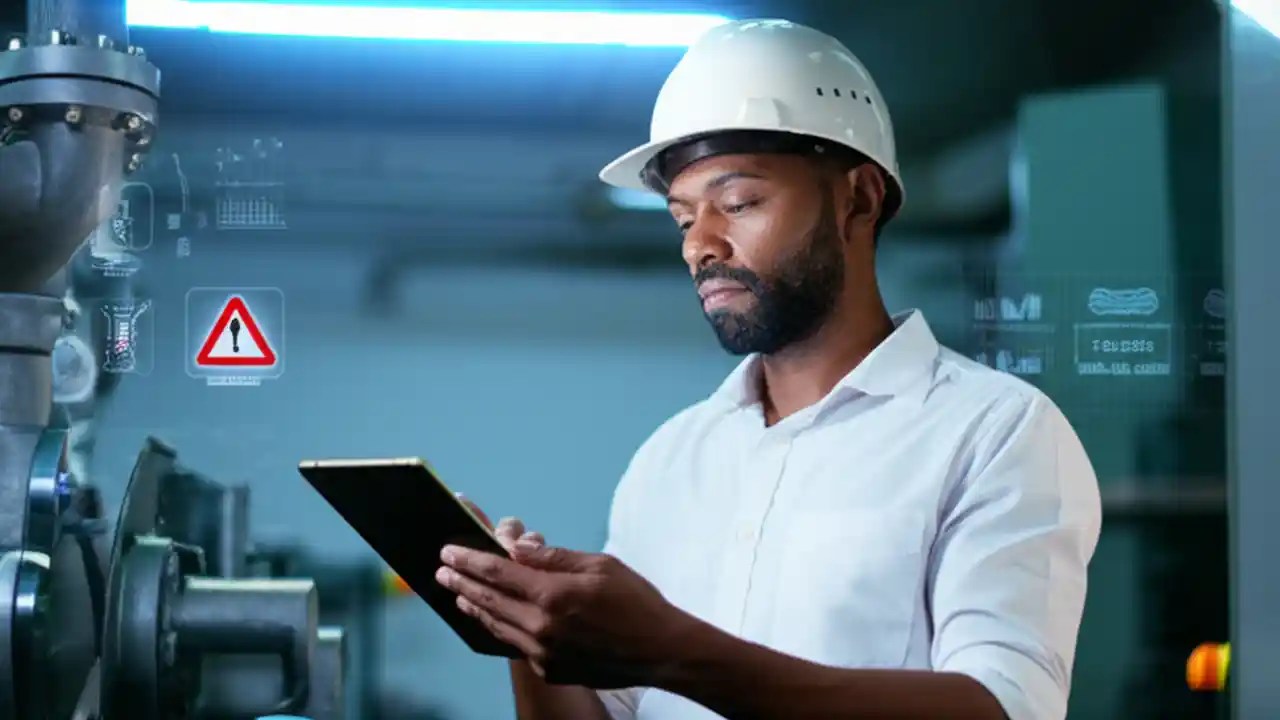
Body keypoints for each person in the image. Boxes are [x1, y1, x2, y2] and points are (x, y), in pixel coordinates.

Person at [435, 18, 1102, 720]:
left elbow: (1002, 708)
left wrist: (672, 650)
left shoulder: (995, 432)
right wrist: (515, 626)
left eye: (739, 203)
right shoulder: (671, 458)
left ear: (859, 199)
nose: (701, 246)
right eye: (683, 218)